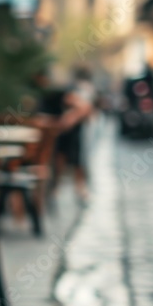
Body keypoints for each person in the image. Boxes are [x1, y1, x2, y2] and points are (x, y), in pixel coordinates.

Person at [46, 66, 95, 203]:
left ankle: (75, 188)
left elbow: (87, 110)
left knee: (77, 159)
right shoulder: (76, 89)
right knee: (64, 158)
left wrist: (70, 119)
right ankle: (61, 188)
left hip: (74, 132)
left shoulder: (82, 89)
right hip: (68, 132)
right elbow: (73, 102)